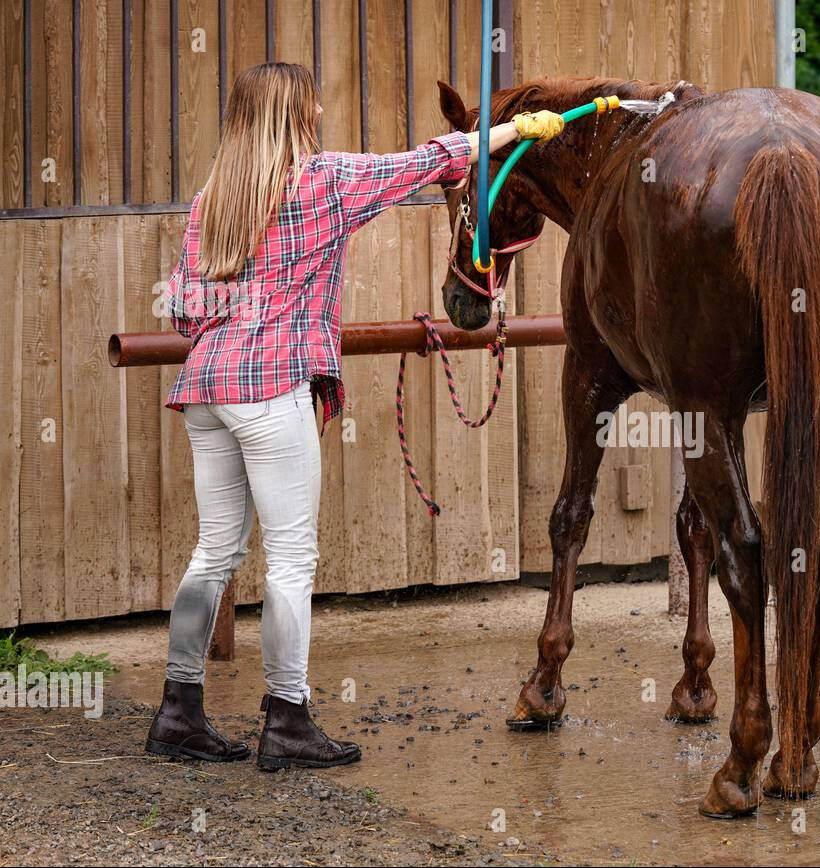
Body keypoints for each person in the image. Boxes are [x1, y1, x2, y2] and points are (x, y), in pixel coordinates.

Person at [145, 62, 563, 770]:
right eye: (310, 107)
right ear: (296, 116)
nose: (316, 117)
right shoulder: (324, 180)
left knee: (214, 553)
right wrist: (516, 130)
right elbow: (432, 160)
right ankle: (287, 720)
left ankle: (178, 711)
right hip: (271, 390)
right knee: (291, 559)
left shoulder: (211, 199)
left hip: (207, 389)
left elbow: (186, 309)